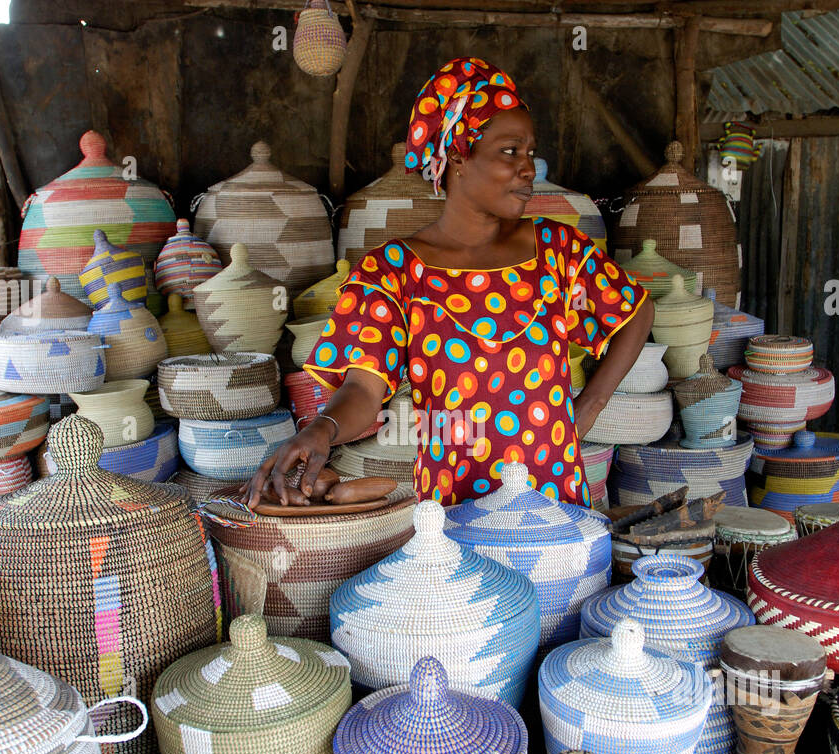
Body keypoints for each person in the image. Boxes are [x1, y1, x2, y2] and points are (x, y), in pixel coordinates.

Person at [246, 56, 654, 508]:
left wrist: (589, 406)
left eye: (530, 152)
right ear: (459, 155)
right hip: (453, 506)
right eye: (510, 151)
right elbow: (364, 388)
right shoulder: (394, 272)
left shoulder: (557, 249)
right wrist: (322, 427)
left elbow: (635, 309)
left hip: (552, 502)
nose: (528, 169)